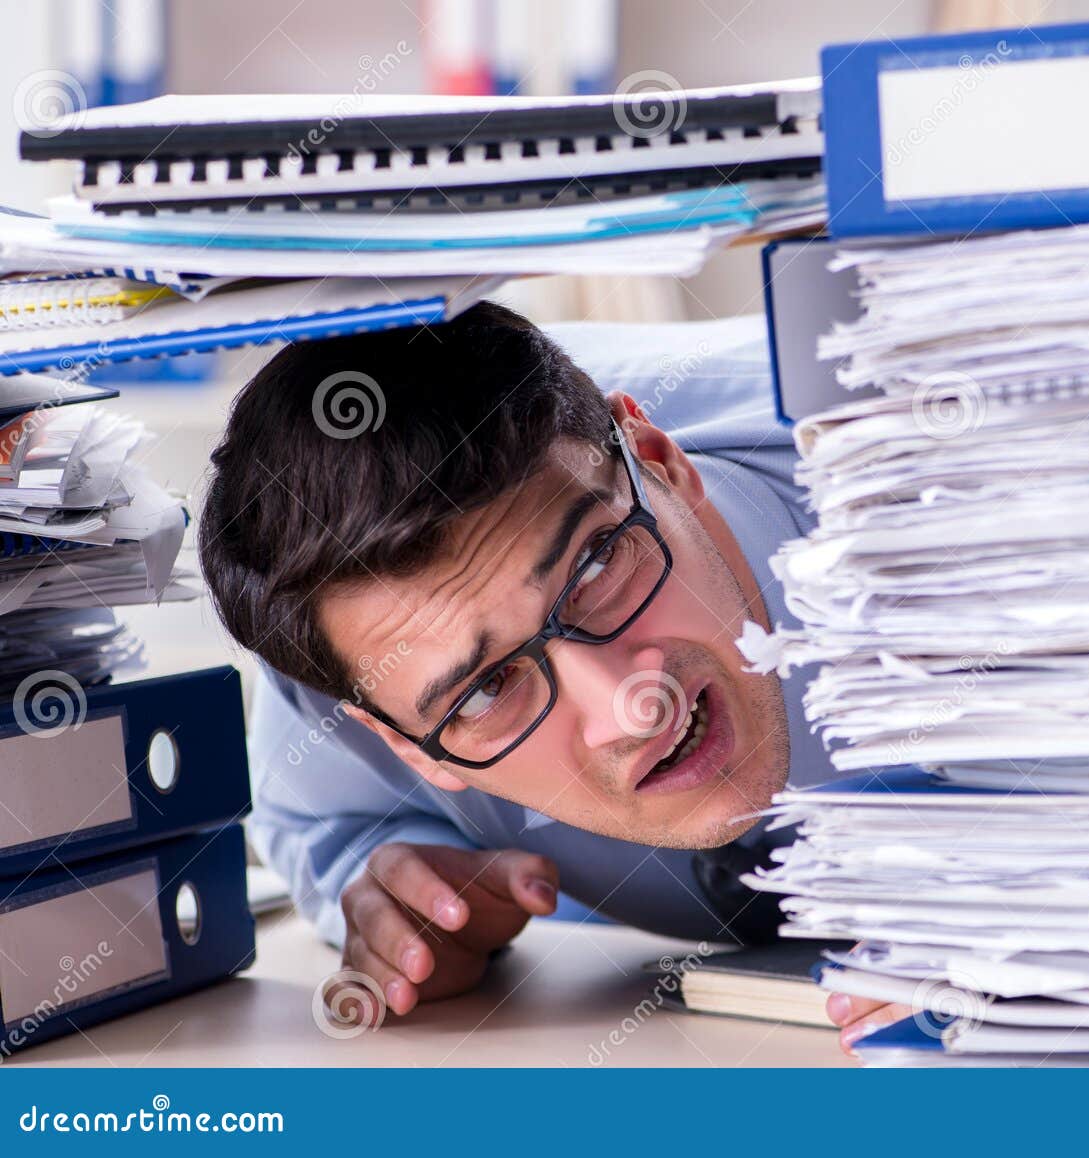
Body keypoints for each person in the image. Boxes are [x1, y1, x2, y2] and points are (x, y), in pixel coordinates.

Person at [199, 302, 905, 1052]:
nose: (630, 712)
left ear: (660, 460)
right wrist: (397, 895)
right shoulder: (348, 678)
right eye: (487, 690)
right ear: (405, 747)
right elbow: (317, 825)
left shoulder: (931, 465)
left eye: (596, 567)